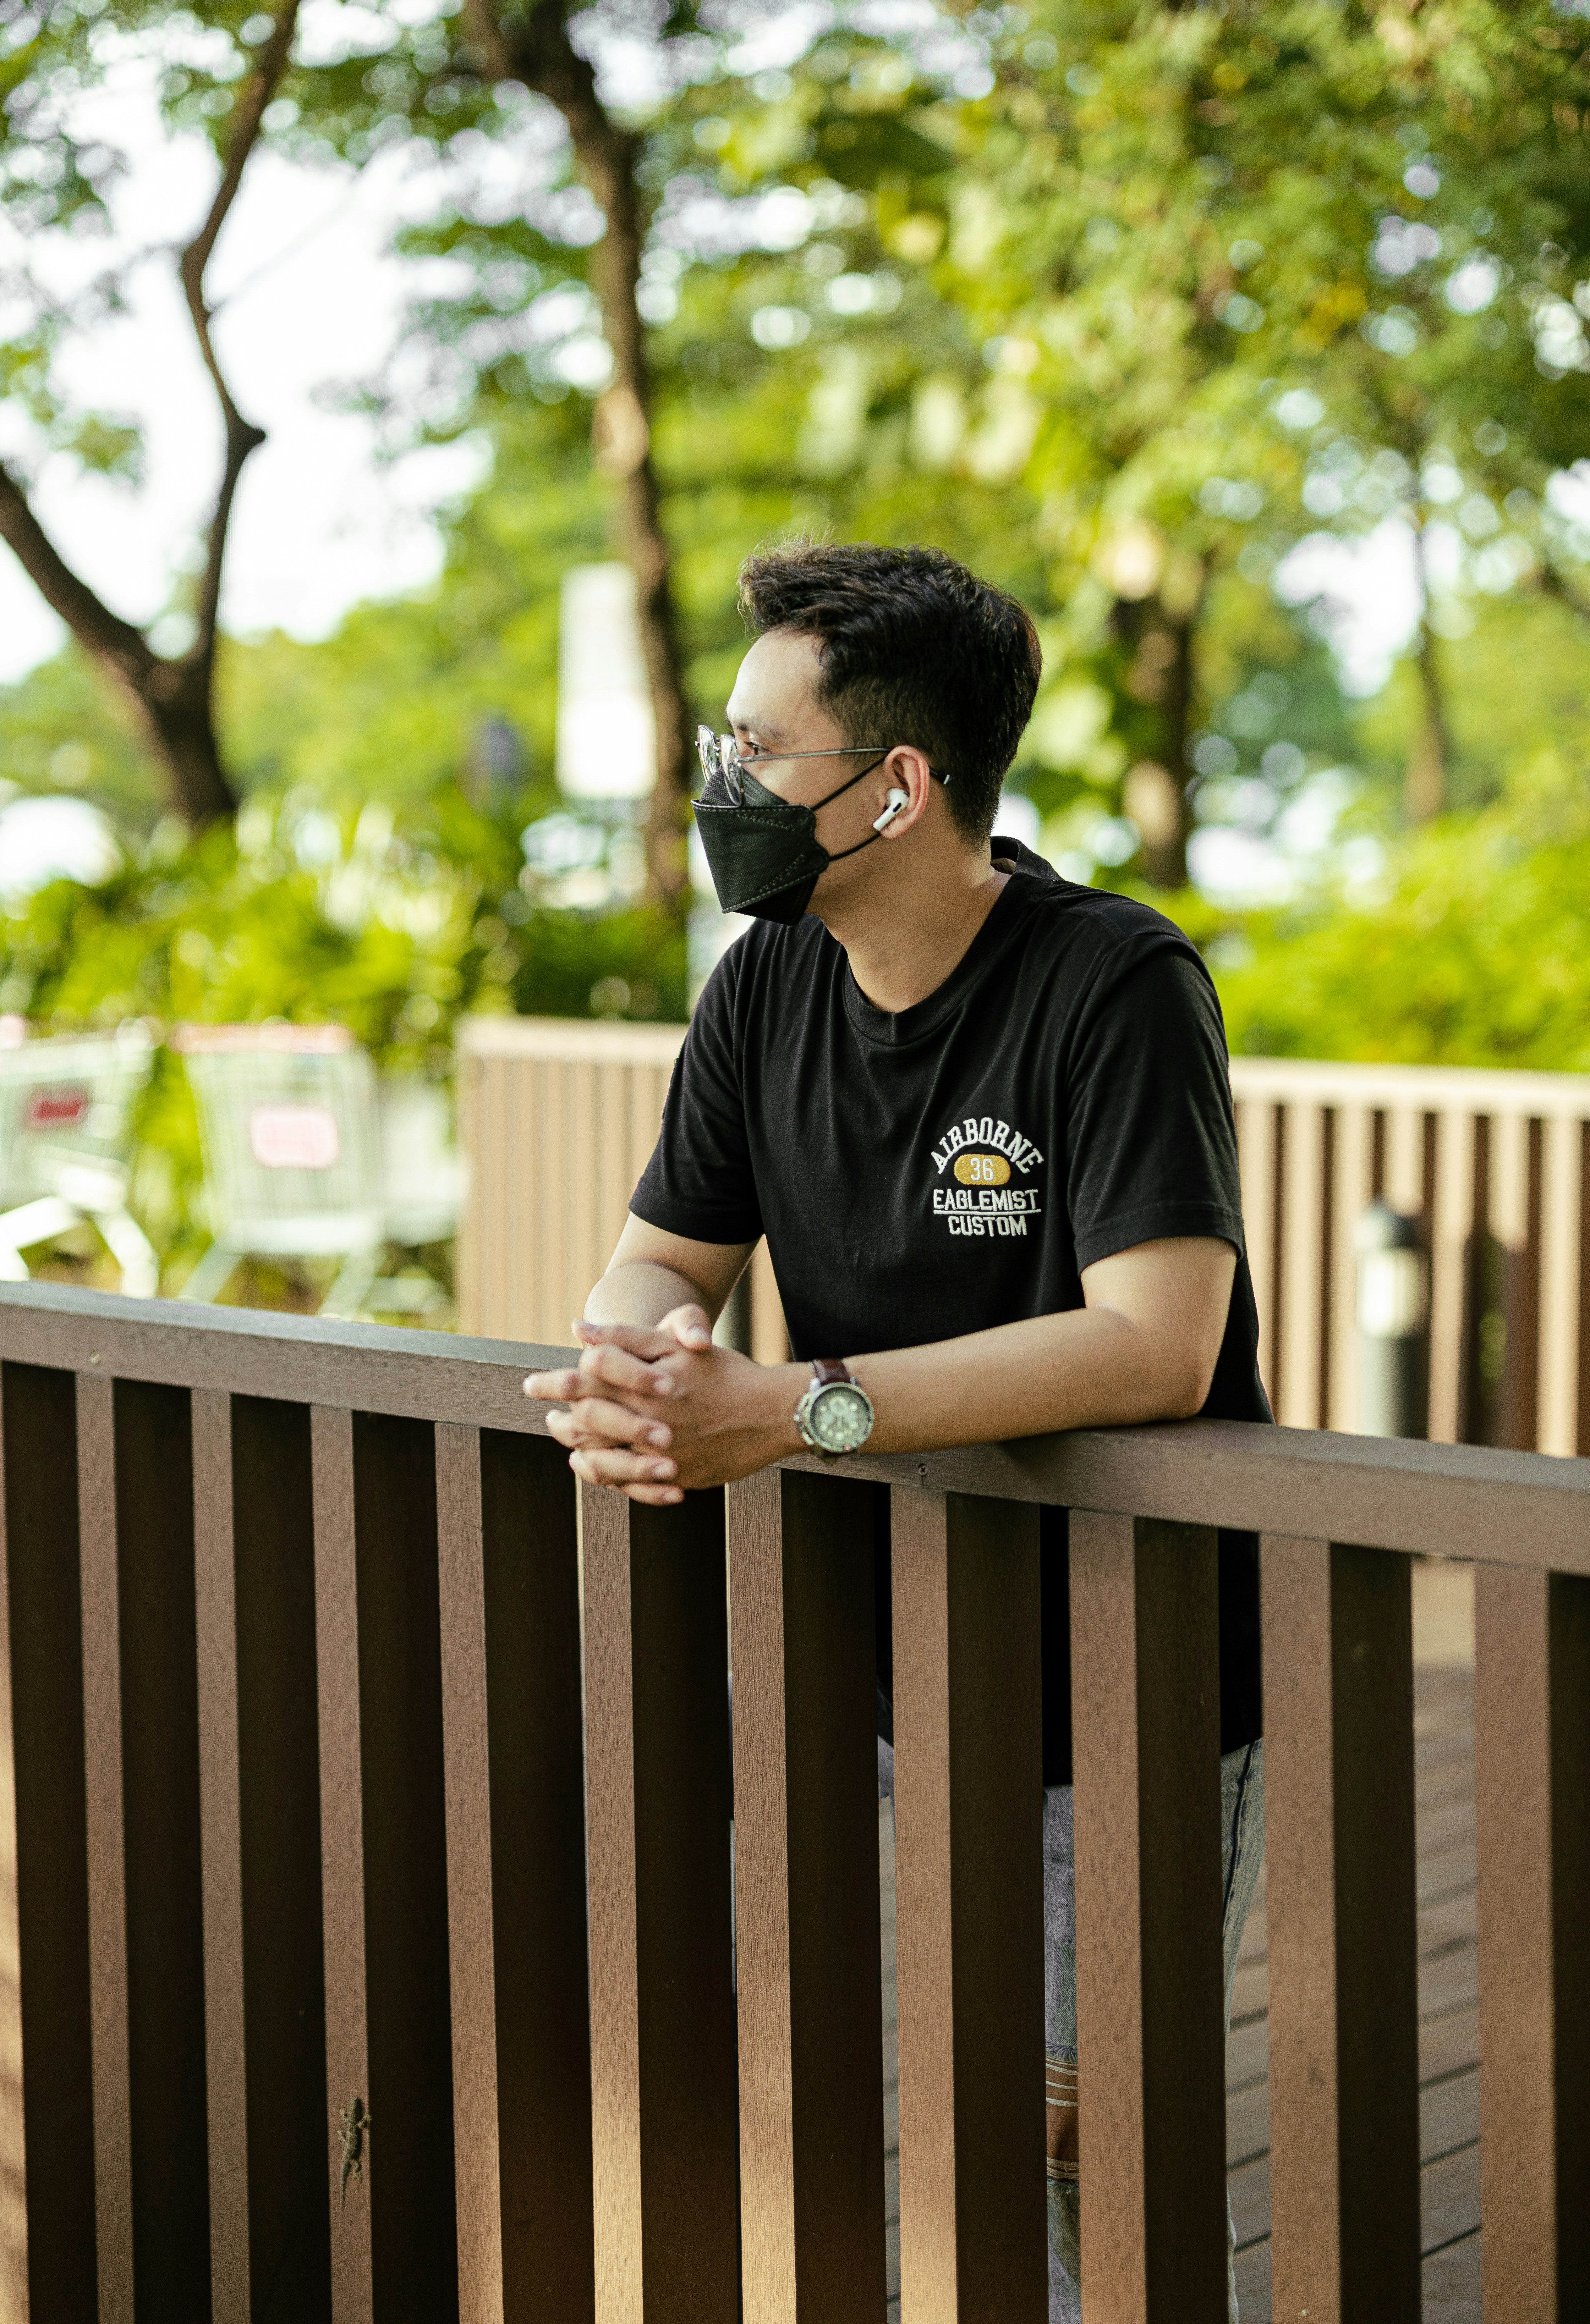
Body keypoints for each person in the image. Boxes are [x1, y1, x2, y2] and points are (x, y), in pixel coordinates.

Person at [524, 540, 1266, 2321]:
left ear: (898, 784)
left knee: (1083, 2160)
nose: (725, 788)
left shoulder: (1112, 982)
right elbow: (658, 1258)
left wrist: (786, 1411)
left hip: (1119, 1677)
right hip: (871, 1656)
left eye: (761, 754)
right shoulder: (763, 981)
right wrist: (626, 1372)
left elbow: (1159, 1342)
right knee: (854, 2118)